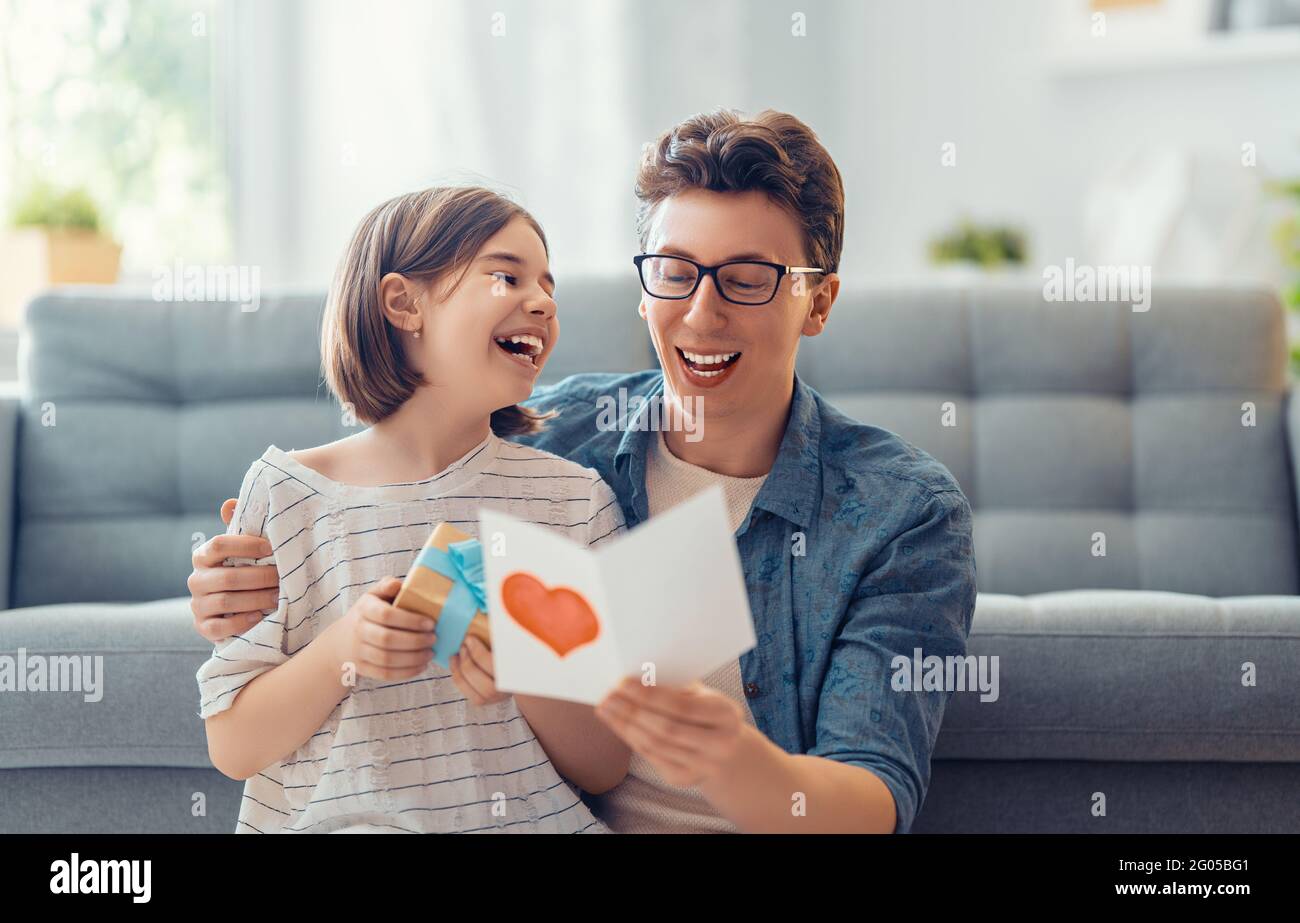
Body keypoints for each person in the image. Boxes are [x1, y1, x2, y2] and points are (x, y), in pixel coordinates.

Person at [191, 110, 978, 834]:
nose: (702, 314)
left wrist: (735, 760)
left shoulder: (901, 511)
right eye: (674, 271)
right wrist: (238, 575)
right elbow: (392, 459)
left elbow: (873, 801)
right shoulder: (558, 437)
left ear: (818, 301)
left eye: (746, 279)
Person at [195, 186, 626, 833]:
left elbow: (607, 765)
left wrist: (527, 666)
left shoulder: (573, 500)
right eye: (507, 275)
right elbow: (233, 745)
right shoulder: (287, 494)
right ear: (404, 302)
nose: (543, 301)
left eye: (549, 285)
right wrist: (345, 648)